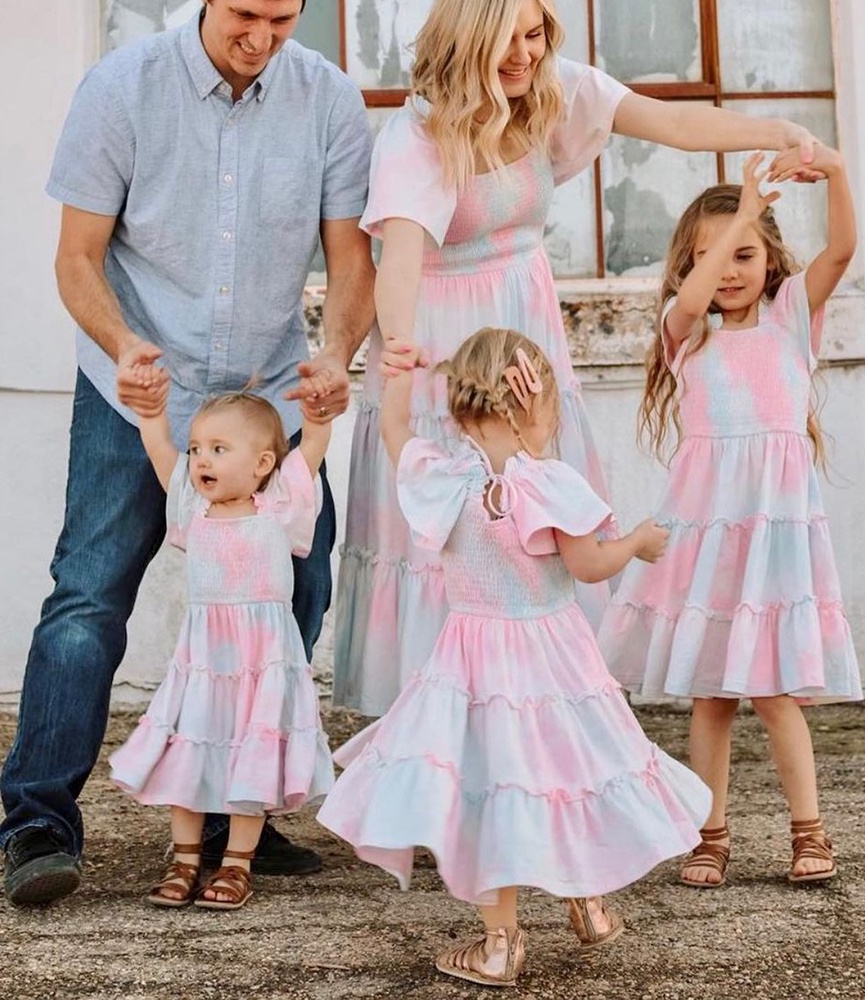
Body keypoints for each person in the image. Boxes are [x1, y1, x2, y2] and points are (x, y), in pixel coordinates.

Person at [333, 0, 826, 717]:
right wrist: (402, 363)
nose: (523, 55)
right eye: (505, 40)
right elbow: (399, 259)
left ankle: (542, 711)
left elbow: (676, 123)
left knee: (538, 511)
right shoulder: (418, 137)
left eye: (534, 35)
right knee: (458, 517)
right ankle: (443, 722)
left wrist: (777, 129)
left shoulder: (550, 93)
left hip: (525, 327)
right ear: (464, 40)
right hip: (442, 342)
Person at [0, 0, 376, 906]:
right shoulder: (121, 88)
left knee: (297, 590)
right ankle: (38, 821)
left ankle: (232, 807)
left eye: (285, 19)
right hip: (142, 385)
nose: (264, 37)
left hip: (271, 392)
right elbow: (77, 259)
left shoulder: (329, 102)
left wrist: (336, 354)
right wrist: (126, 348)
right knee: (90, 590)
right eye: (247, 14)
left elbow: (352, 262)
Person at [318, 328, 712, 988]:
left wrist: (398, 374)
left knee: (491, 792)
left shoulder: (442, 480)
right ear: (543, 405)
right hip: (553, 661)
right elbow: (589, 566)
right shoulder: (550, 484)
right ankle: (587, 902)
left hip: (473, 662)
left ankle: (501, 942)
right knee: (565, 772)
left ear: (460, 408)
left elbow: (391, 431)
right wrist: (638, 541)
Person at [597, 150, 863, 888]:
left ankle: (809, 832)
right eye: (710, 258)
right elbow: (692, 299)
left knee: (775, 691)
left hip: (772, 536)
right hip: (709, 536)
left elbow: (842, 249)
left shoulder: (789, 323)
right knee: (712, 693)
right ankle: (707, 835)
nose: (730, 269)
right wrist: (740, 214)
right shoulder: (688, 332)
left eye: (745, 253)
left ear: (771, 259)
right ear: (687, 270)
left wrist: (836, 173)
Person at [109, 379, 334, 910]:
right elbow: (161, 452)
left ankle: (236, 864)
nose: (200, 459)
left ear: (261, 465)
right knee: (190, 751)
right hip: (205, 661)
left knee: (251, 756)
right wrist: (151, 415)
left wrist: (320, 413)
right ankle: (185, 858)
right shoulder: (192, 507)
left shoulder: (280, 504)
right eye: (197, 448)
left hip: (262, 661)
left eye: (217, 449)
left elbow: (314, 446)